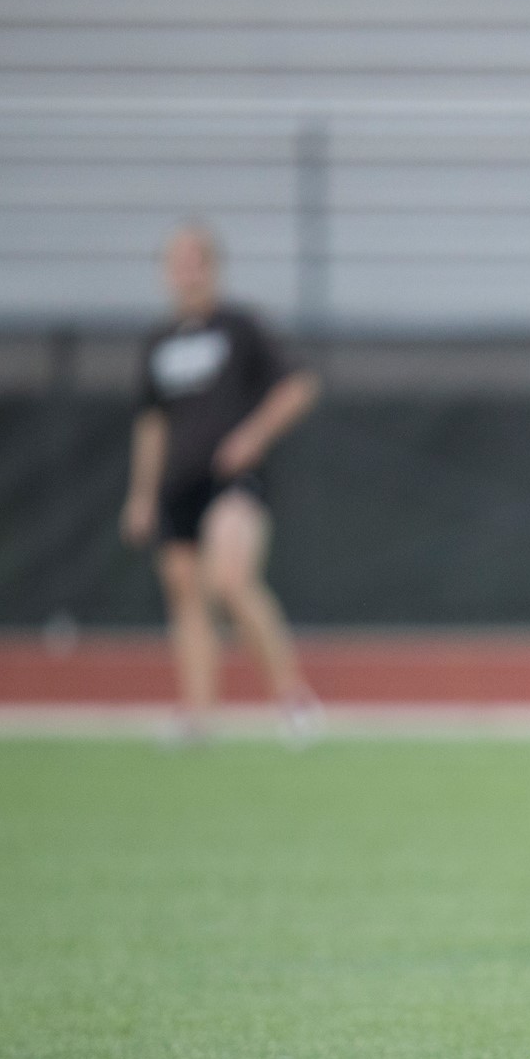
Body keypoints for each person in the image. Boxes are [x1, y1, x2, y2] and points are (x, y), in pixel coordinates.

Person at [120, 223, 322, 744]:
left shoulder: (240, 328)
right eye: (176, 262)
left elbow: (299, 385)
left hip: (232, 479)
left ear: (213, 266)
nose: (185, 272)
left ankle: (293, 699)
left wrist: (252, 435)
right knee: (186, 594)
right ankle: (198, 713)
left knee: (230, 581)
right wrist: (142, 495)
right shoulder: (159, 343)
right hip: (178, 485)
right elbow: (152, 423)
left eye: (195, 260)